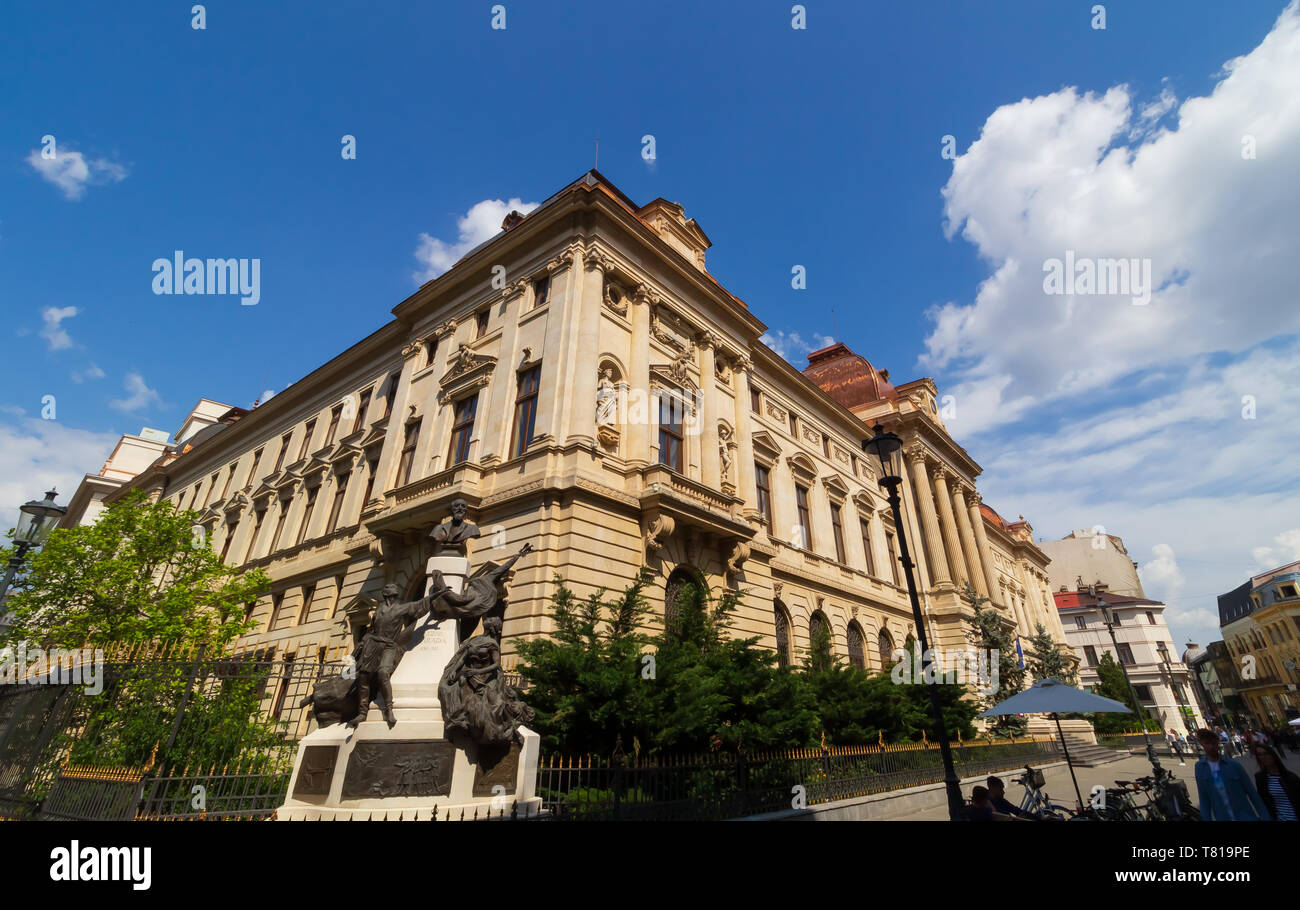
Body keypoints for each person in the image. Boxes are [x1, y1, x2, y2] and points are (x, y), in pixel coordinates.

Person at [1193, 729, 1271, 820]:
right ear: (1202, 744)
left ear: (1218, 743)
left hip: (1245, 817)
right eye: (1207, 743)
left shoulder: (1234, 765)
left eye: (1213, 743)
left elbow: (1252, 792)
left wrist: (1265, 816)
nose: (1211, 747)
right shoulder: (1200, 767)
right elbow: (1203, 798)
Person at [1251, 743, 1299, 822]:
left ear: (1273, 755)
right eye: (1259, 755)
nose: (1263, 757)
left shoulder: (1290, 777)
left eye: (1266, 754)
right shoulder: (1260, 778)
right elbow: (1263, 801)